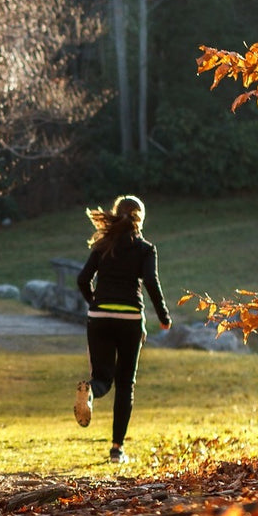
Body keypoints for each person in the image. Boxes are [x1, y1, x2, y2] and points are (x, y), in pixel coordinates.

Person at [74, 195, 171, 463]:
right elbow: (151, 281)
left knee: (103, 378)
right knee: (125, 384)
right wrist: (163, 316)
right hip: (129, 320)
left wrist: (95, 302)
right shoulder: (145, 249)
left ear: (117, 215)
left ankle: (90, 391)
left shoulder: (103, 245)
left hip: (100, 317)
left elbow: (83, 279)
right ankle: (117, 449)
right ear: (141, 219)